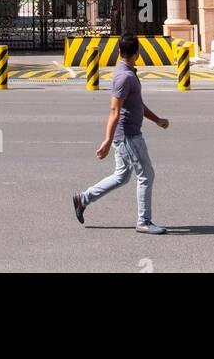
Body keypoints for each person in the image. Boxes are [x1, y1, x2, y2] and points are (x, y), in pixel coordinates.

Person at [72, 34, 169, 233]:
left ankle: (83, 198)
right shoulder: (125, 77)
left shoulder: (126, 73)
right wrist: (108, 140)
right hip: (128, 136)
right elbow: (115, 110)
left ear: (119, 52)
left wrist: (157, 120)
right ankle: (144, 222)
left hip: (126, 134)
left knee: (122, 176)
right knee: (146, 176)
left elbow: (136, 104)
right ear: (137, 54)